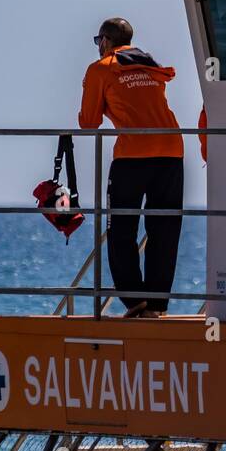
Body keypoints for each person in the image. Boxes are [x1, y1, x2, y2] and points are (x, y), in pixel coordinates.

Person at [79, 17, 183, 318]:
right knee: (164, 230)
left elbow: (89, 122)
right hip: (172, 151)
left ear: (105, 41)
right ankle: (157, 306)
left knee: (121, 229)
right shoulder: (150, 64)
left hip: (133, 156)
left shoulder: (101, 68)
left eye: (98, 41)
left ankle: (135, 302)